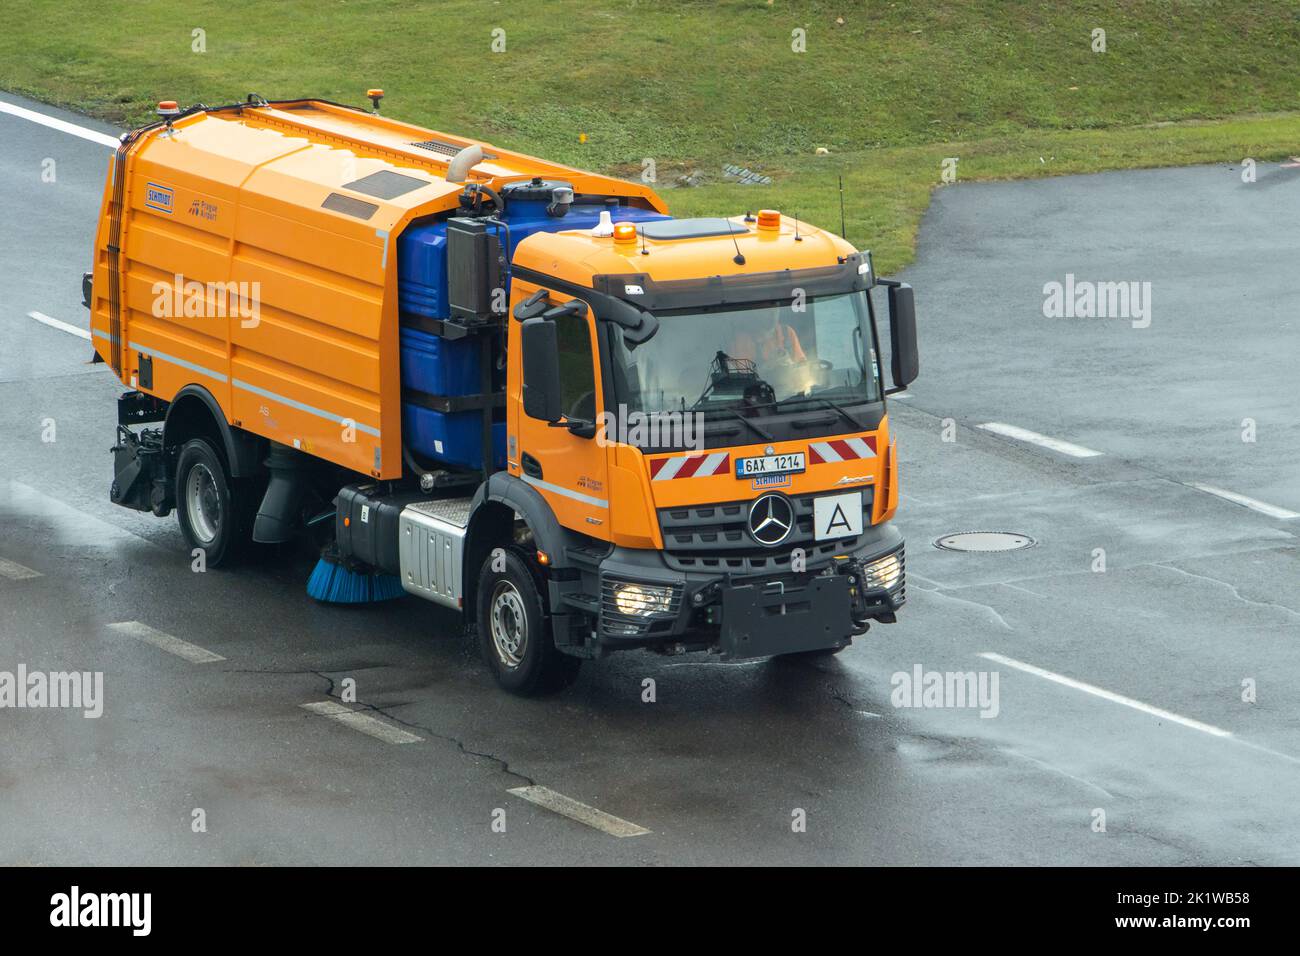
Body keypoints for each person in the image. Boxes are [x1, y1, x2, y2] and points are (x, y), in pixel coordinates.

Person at [727, 308, 806, 365]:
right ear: (755, 311)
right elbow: (739, 380)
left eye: (775, 307)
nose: (772, 313)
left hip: (788, 387)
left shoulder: (787, 332)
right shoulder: (740, 341)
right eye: (767, 309)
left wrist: (789, 364)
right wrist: (769, 366)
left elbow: (803, 369)